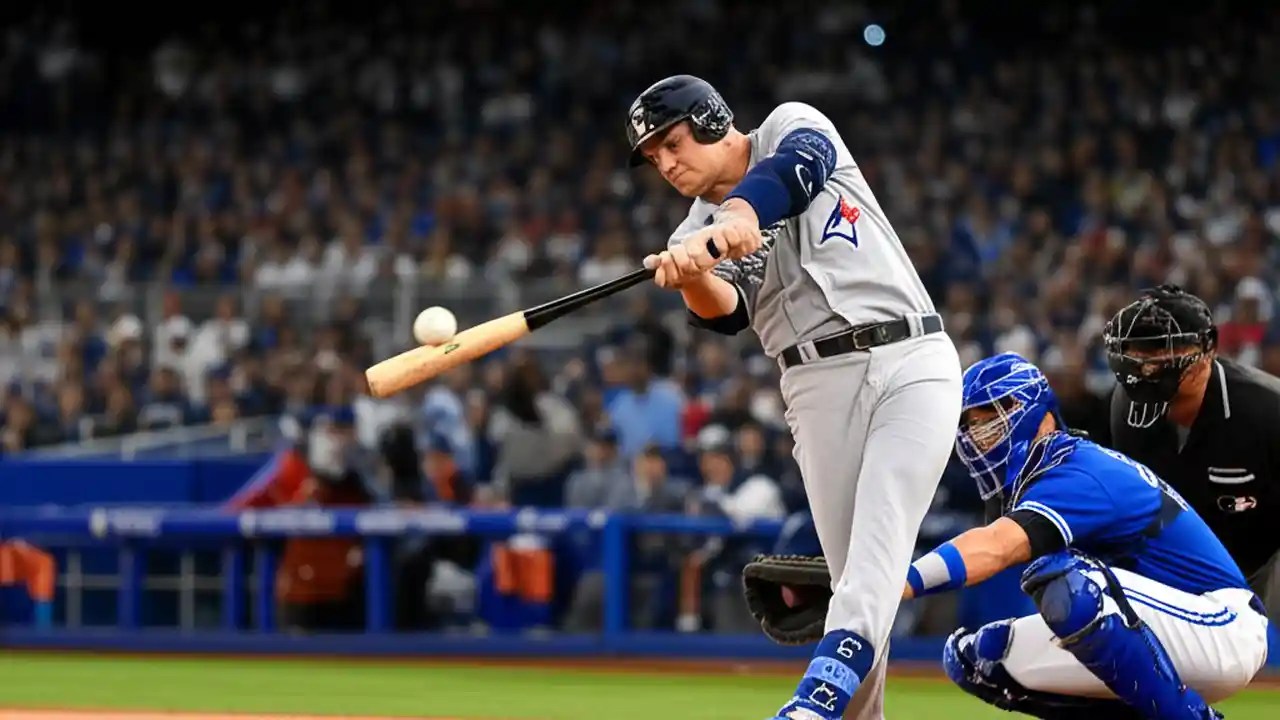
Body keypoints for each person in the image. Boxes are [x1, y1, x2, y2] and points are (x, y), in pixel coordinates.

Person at [628, 74, 962, 719]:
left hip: (911, 358)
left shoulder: (787, 124)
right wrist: (693, 274)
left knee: (875, 551)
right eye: (652, 157)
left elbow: (796, 169)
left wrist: (737, 220)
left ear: (708, 117)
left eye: (671, 142)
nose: (666, 163)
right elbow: (726, 314)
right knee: (854, 584)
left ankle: (812, 704)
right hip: (815, 385)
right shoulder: (688, 232)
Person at [906, 352, 1268, 720]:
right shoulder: (1044, 477)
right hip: (1154, 630)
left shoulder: (1075, 466)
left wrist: (894, 585)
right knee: (976, 657)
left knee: (1065, 582)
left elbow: (996, 547)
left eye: (991, 417)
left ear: (1039, 414)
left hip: (1220, 625)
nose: (978, 435)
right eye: (969, 424)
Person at [1103, 284, 1280, 623]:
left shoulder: (1266, 411)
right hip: (1187, 552)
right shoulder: (1126, 405)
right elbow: (1150, 502)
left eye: (1162, 348)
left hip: (1263, 553)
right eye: (1138, 350)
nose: (1148, 365)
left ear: (1208, 347)